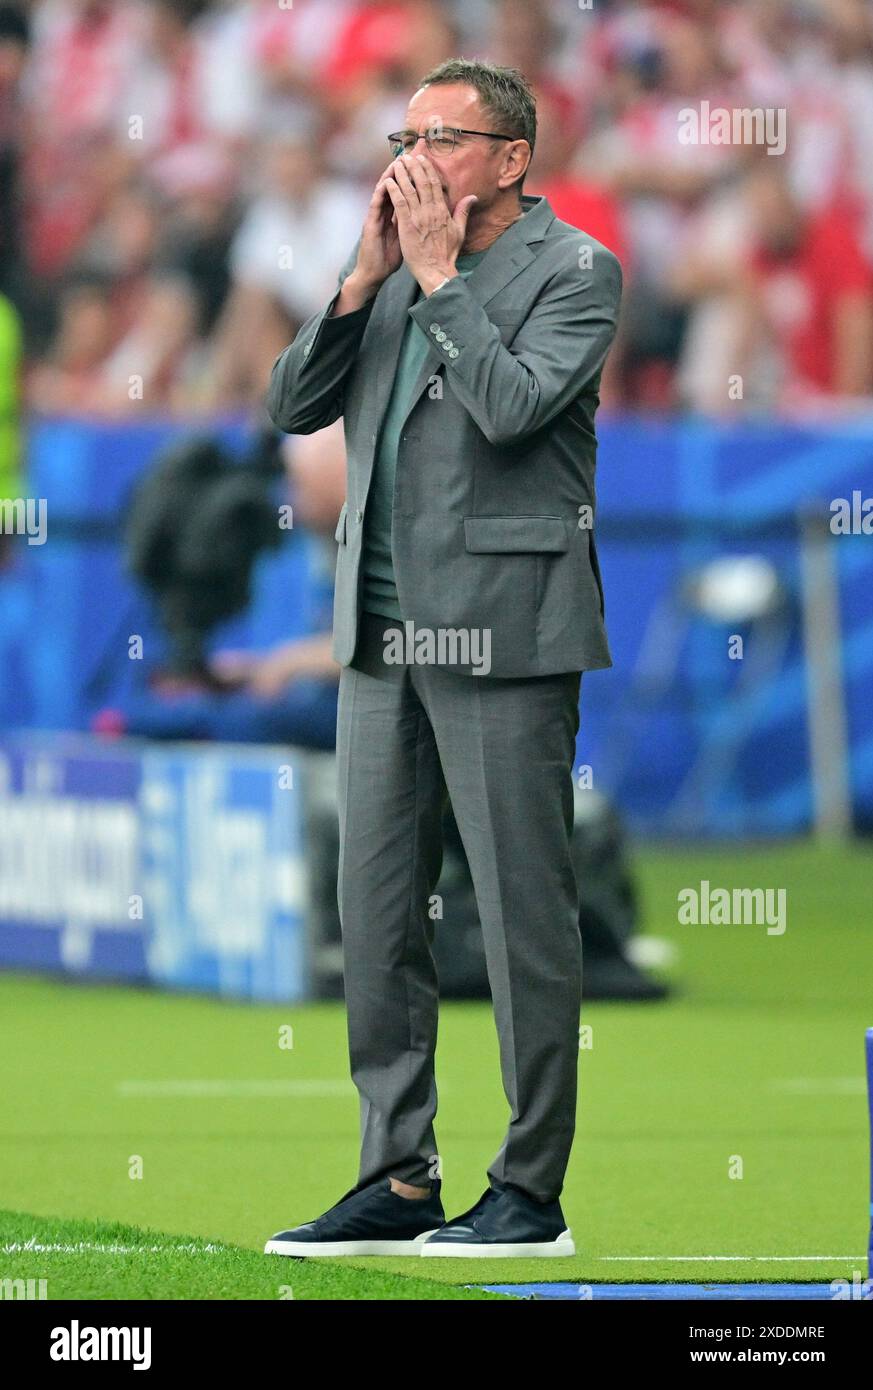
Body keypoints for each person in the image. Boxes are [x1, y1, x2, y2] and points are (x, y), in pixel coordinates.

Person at [263, 58, 622, 1259]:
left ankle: (528, 1191)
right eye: (402, 134)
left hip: (505, 630)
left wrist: (435, 279)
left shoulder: (574, 271)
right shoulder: (388, 269)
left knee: (522, 913)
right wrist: (364, 281)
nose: (412, 159)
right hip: (376, 638)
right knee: (376, 916)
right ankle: (396, 1174)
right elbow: (289, 407)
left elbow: (514, 409)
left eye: (443, 138)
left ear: (511, 160)